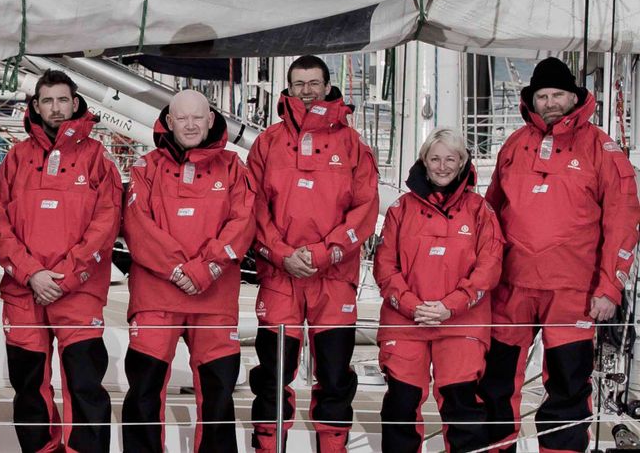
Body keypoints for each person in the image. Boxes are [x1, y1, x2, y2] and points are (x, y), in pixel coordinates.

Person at [480, 56, 640, 452]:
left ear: (574, 97)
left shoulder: (603, 149)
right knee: (496, 383)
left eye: (557, 95)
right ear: (532, 101)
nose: (550, 103)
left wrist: (611, 287)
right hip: (511, 288)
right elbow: (488, 214)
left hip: (574, 291)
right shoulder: (515, 145)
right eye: (543, 96)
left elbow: (622, 222)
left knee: (568, 388)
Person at [246, 55, 379, 453]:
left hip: (333, 279)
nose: (306, 90)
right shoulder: (267, 142)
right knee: (273, 375)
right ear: (288, 87)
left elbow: (365, 208)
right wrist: (280, 253)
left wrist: (324, 254)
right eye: (299, 83)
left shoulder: (353, 145)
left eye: (313, 83)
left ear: (326, 85)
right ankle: (269, 448)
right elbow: (252, 208)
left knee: (336, 377)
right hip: (279, 276)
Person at [0, 70, 120, 453]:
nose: (56, 108)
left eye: (63, 100)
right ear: (35, 106)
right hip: (24, 291)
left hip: (78, 291)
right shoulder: (15, 158)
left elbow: (106, 222)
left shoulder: (97, 158)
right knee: (29, 386)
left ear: (75, 103)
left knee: (84, 386)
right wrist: (32, 274)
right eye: (47, 101)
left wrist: (65, 275)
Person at [121, 90, 255, 453]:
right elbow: (137, 227)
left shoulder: (234, 168)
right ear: (170, 121)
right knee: (144, 392)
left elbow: (243, 224)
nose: (191, 125)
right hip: (155, 298)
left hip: (214, 300)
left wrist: (206, 268)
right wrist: (180, 269)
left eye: (198, 117)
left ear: (211, 119)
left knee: (217, 397)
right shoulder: (145, 168)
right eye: (182, 118)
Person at [373, 128, 502, 453]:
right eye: (435, 158)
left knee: (462, 409)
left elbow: (489, 268)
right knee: (400, 407)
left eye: (450, 159)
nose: (442, 166)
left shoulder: (481, 212)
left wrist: (451, 306)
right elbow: (385, 267)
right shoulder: (400, 210)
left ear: (462, 163)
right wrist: (412, 305)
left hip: (461, 323)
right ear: (424, 161)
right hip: (405, 323)